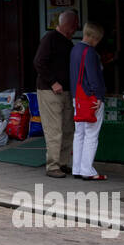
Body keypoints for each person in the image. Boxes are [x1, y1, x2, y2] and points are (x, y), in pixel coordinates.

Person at [33, 9, 79, 178]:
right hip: (50, 91)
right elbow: (39, 62)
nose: (76, 28)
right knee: (54, 129)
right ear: (67, 24)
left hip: (66, 91)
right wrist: (53, 82)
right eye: (74, 25)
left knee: (68, 128)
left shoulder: (67, 42)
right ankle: (52, 166)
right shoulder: (50, 38)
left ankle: (63, 162)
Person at [70, 22, 108, 182]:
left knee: (79, 133)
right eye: (98, 39)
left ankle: (77, 168)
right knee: (92, 134)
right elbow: (93, 76)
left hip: (77, 97)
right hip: (90, 97)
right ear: (93, 37)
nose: (98, 42)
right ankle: (87, 170)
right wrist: (98, 96)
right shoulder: (90, 52)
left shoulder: (75, 49)